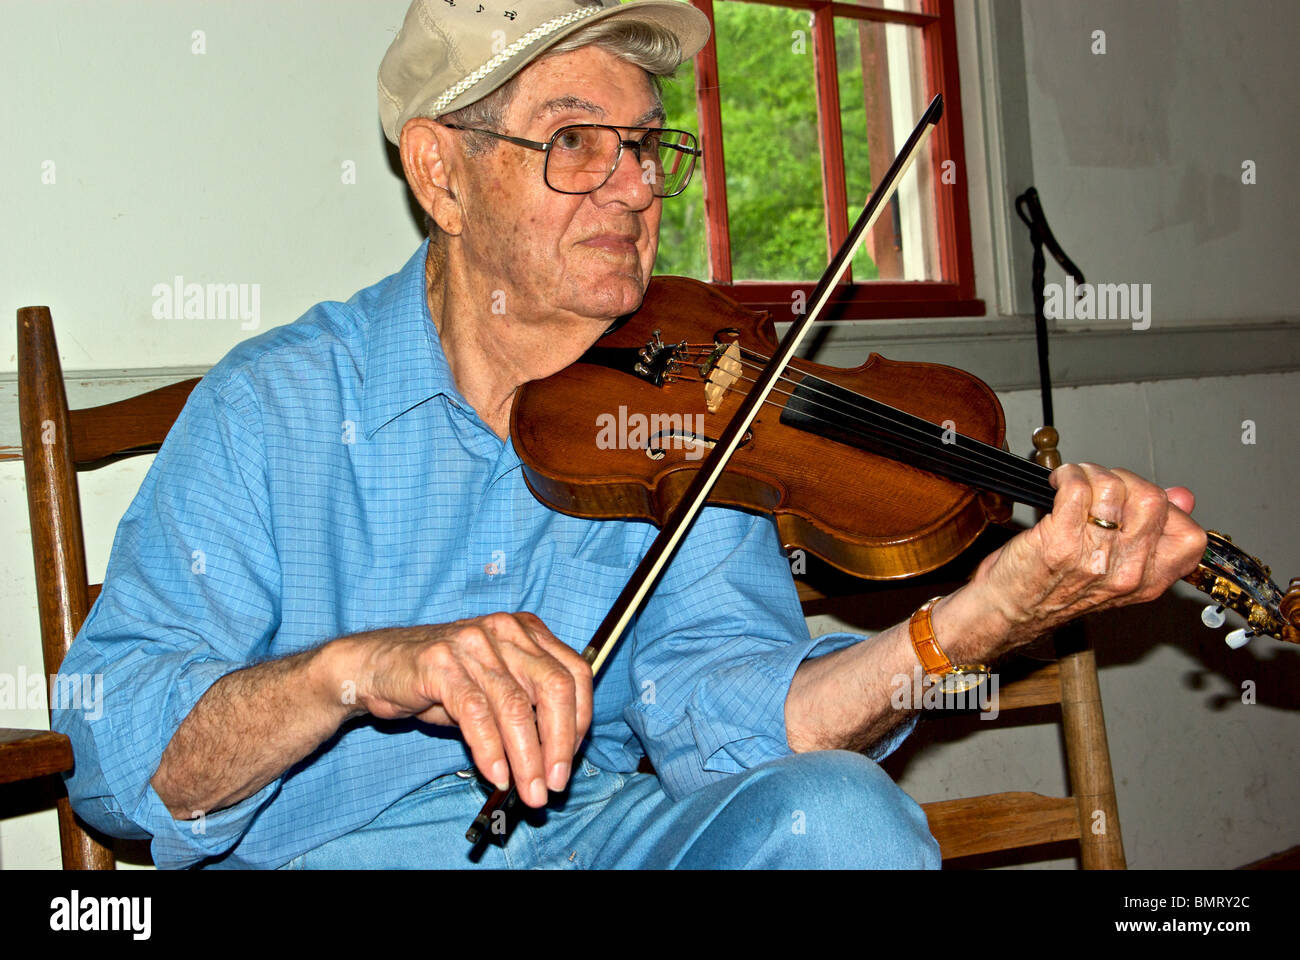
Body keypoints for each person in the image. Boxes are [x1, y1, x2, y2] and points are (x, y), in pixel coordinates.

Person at [53, 0, 1206, 870]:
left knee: (841, 819)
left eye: (646, 144)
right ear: (440, 173)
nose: (632, 188)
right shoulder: (274, 408)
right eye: (573, 141)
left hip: (595, 839)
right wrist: (358, 670)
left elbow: (737, 721)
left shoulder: (692, 408)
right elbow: (115, 755)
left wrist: (966, 625)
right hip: (327, 855)